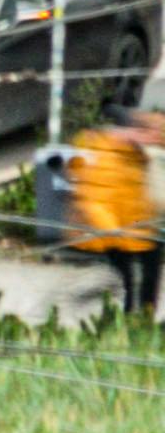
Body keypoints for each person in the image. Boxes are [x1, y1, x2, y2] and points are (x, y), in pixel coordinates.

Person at [79, 96, 162, 320]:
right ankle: (129, 321)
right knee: (132, 280)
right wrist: (112, 231)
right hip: (113, 234)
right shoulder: (102, 156)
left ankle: (144, 320)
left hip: (141, 229)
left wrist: (146, 123)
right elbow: (93, 199)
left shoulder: (136, 150)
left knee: (150, 276)